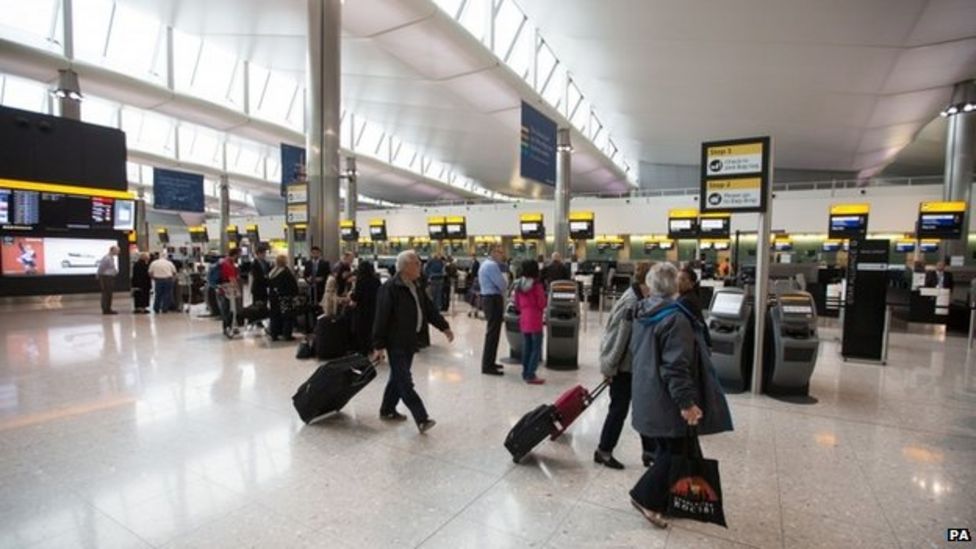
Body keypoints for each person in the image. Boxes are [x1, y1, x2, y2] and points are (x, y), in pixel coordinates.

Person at [629, 263, 733, 529]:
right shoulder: (675, 318)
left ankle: (665, 498)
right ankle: (645, 497)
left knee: (668, 447)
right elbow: (676, 366)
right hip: (666, 398)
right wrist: (686, 402)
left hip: (647, 391)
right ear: (675, 286)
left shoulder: (643, 311)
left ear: (651, 286)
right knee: (676, 451)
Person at [371, 250, 454, 433]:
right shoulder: (391, 288)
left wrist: (444, 327)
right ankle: (422, 418)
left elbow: (429, 309)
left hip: (410, 340)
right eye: (416, 263)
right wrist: (378, 345)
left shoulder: (415, 285)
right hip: (396, 341)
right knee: (405, 382)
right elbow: (381, 317)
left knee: (397, 378)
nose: (420, 266)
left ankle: (387, 410)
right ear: (405, 267)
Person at [595, 261, 656, 470]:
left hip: (633, 366)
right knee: (619, 410)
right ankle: (603, 450)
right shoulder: (631, 303)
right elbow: (617, 338)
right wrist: (609, 367)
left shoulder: (640, 298)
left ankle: (649, 451)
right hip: (623, 368)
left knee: (642, 408)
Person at [513, 259, 547, 384]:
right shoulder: (537, 285)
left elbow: (516, 303)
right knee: (536, 348)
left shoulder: (518, 284)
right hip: (535, 318)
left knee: (527, 346)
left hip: (524, 318)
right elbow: (542, 303)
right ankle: (531, 375)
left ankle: (525, 372)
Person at [478, 245, 509, 376]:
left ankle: (490, 362)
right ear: (492, 252)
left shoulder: (485, 264)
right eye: (499, 252)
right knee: (492, 334)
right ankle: (487, 365)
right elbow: (502, 285)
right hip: (493, 300)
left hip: (489, 299)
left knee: (493, 333)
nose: (502, 255)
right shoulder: (492, 266)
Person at [349, 260, 381, 354]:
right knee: (371, 329)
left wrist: (351, 295)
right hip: (374, 308)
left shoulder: (360, 281)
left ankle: (363, 350)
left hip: (362, 310)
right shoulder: (376, 280)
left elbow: (357, 297)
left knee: (362, 330)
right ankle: (371, 347)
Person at [677, 266, 712, 348]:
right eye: (677, 278)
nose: (678, 282)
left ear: (692, 284)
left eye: (682, 279)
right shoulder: (690, 296)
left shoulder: (686, 301)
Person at [267, 254, 298, 341]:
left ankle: (274, 334)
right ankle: (287, 334)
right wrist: (295, 294)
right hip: (285, 297)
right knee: (287, 316)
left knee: (275, 316)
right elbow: (292, 285)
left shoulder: (272, 272)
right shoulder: (285, 272)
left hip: (274, 297)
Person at [217, 248, 242, 338]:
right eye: (239, 254)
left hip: (222, 289)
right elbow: (232, 279)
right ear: (235, 254)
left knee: (227, 309)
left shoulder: (224, 261)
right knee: (229, 309)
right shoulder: (228, 264)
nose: (239, 256)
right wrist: (238, 290)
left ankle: (228, 327)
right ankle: (228, 328)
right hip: (227, 290)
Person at [96, 246, 120, 315]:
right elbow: (101, 267)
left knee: (109, 293)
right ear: (112, 250)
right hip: (106, 277)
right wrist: (99, 275)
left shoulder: (111, 258)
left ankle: (108, 308)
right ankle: (105, 309)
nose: (118, 252)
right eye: (117, 251)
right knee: (106, 293)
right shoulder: (107, 258)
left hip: (110, 277)